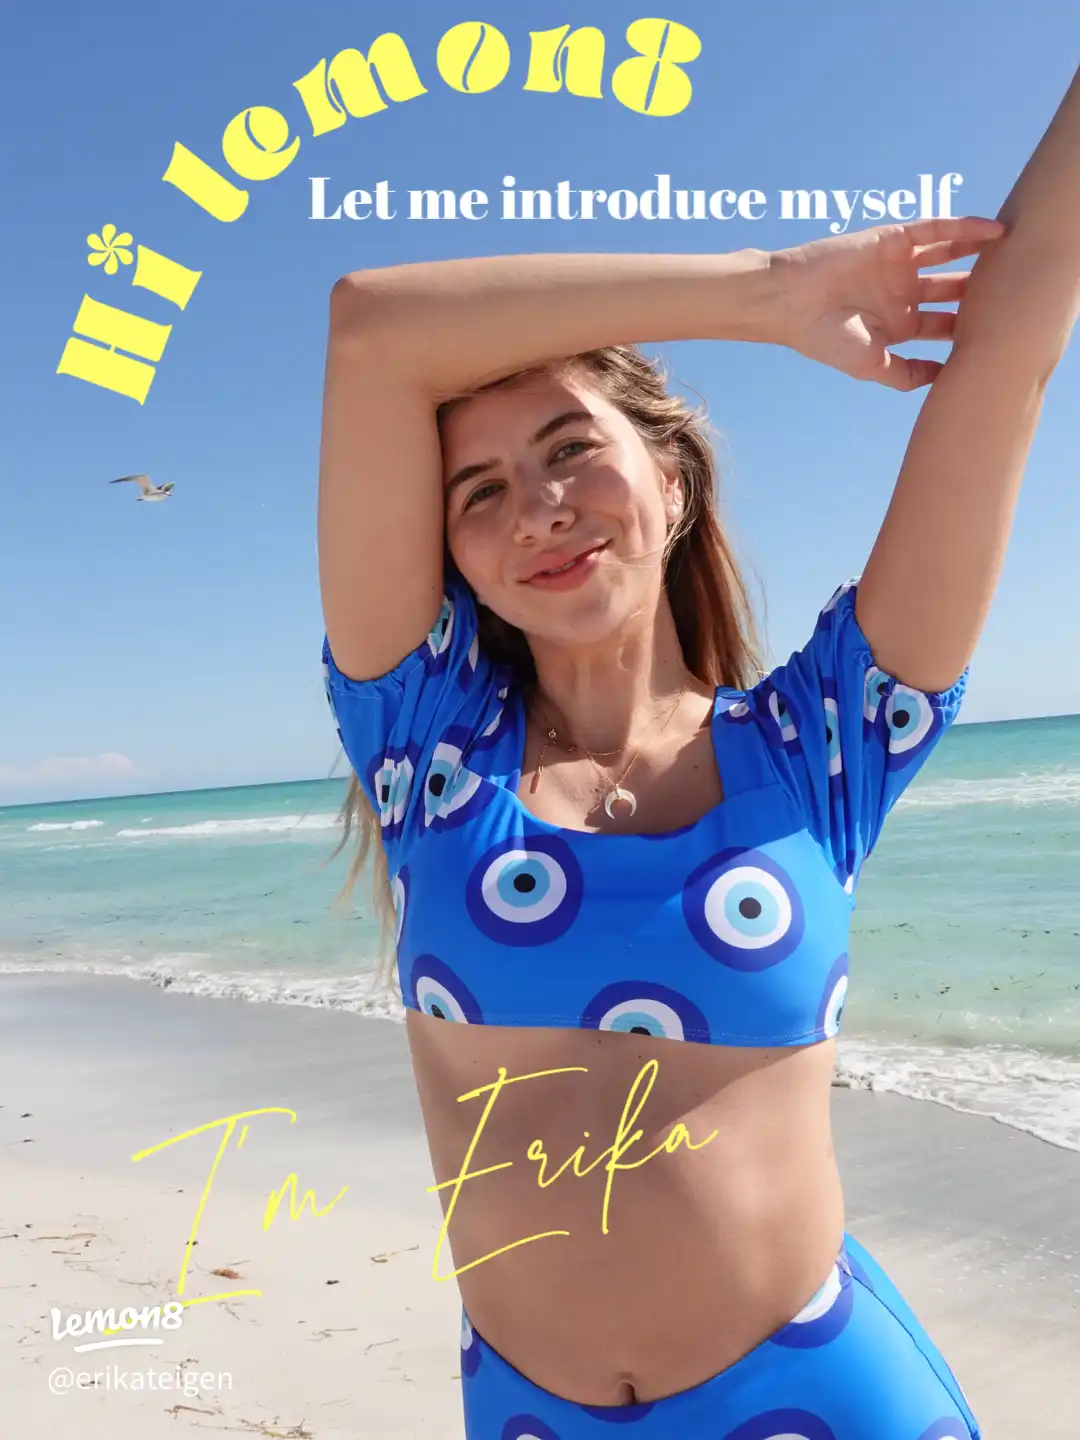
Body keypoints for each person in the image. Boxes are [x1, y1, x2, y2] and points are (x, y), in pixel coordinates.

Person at [316, 62, 1080, 1440]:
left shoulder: (821, 748)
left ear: (671, 480)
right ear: (457, 566)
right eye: (479, 493)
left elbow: (1010, 357)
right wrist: (768, 292)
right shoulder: (428, 756)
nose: (538, 508)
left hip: (826, 1397)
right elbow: (369, 328)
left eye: (571, 451)